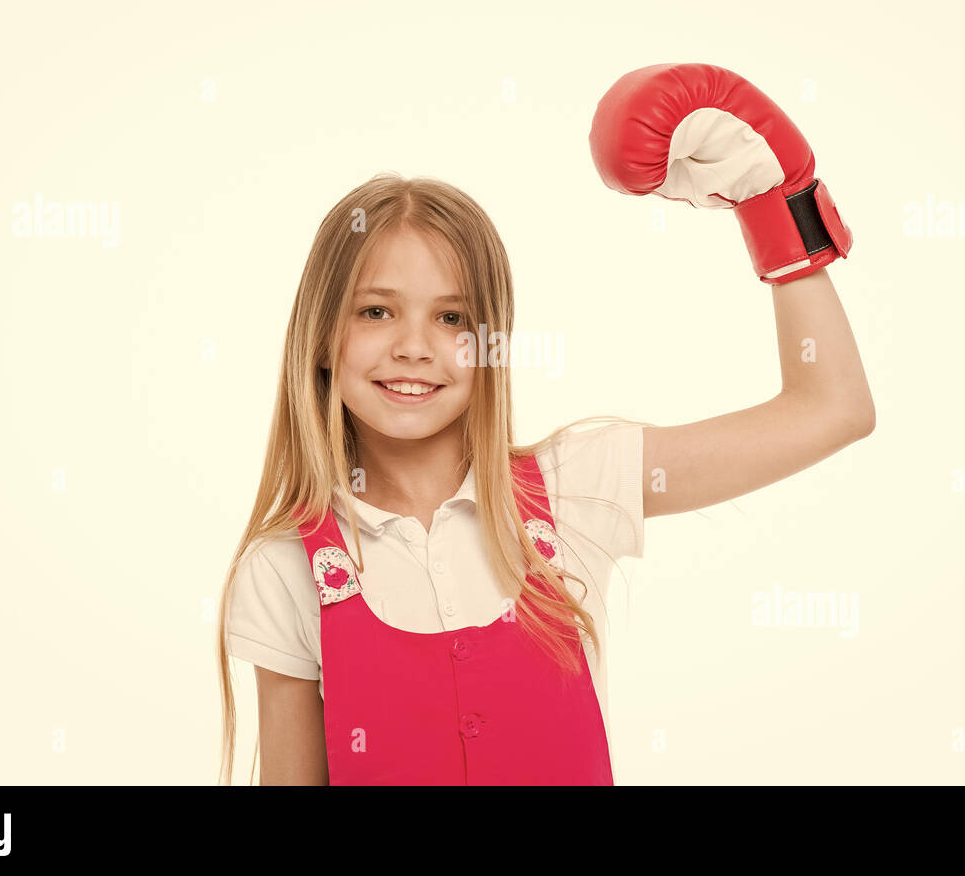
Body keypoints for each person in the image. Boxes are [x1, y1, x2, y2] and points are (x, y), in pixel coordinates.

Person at [216, 64, 875, 786]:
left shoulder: (573, 489)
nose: (414, 346)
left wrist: (776, 204)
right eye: (377, 310)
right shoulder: (287, 568)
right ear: (320, 335)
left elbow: (831, 409)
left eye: (451, 317)